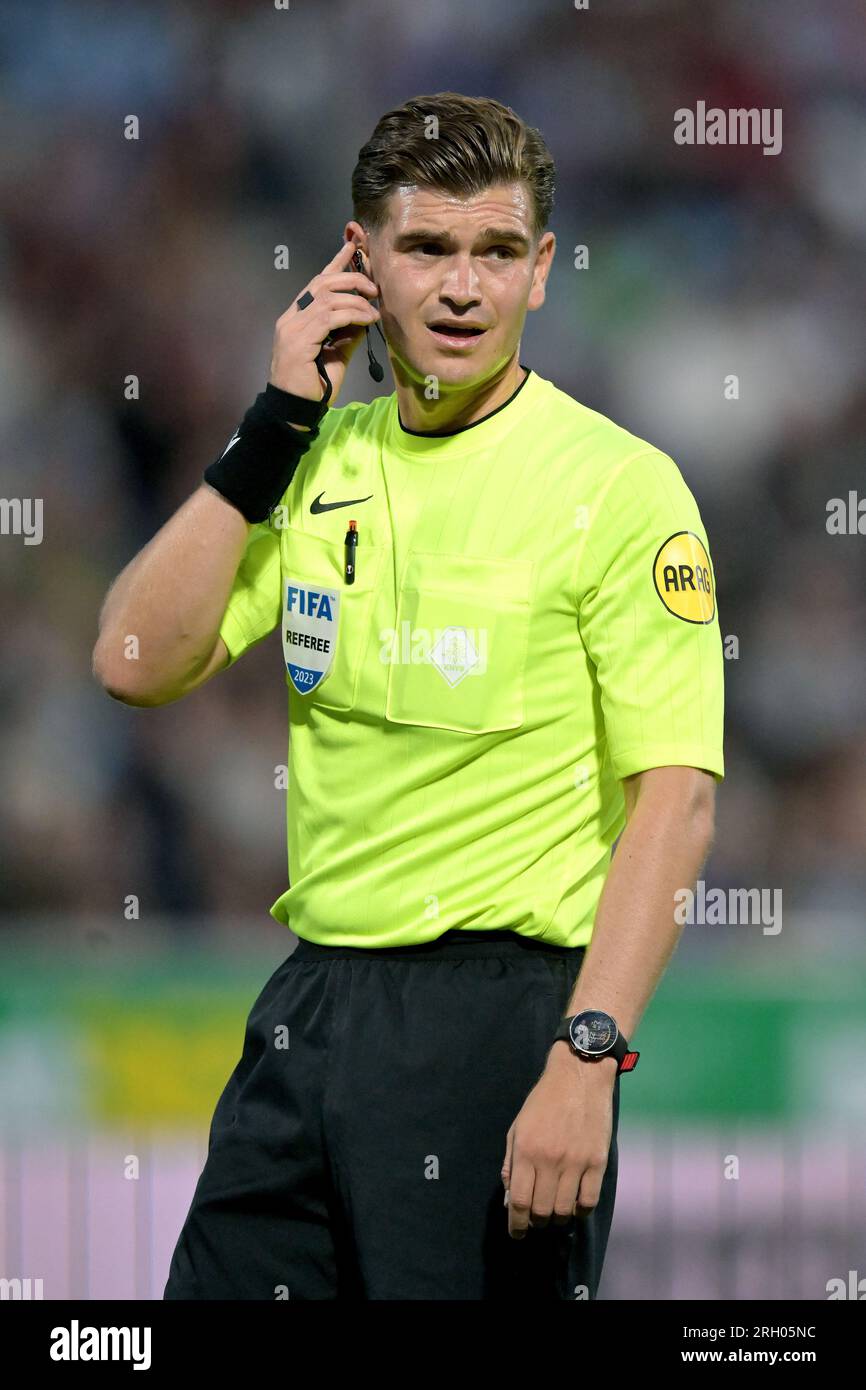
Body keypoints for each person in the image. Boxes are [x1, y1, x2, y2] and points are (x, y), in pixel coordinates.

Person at [92, 92, 724, 1301]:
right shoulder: (312, 459)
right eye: (426, 248)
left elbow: (674, 802)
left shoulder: (619, 488)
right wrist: (272, 424)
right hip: (310, 1005)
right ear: (358, 260)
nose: (459, 287)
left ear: (540, 272)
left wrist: (586, 1055)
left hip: (499, 1023)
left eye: (495, 252)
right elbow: (132, 658)